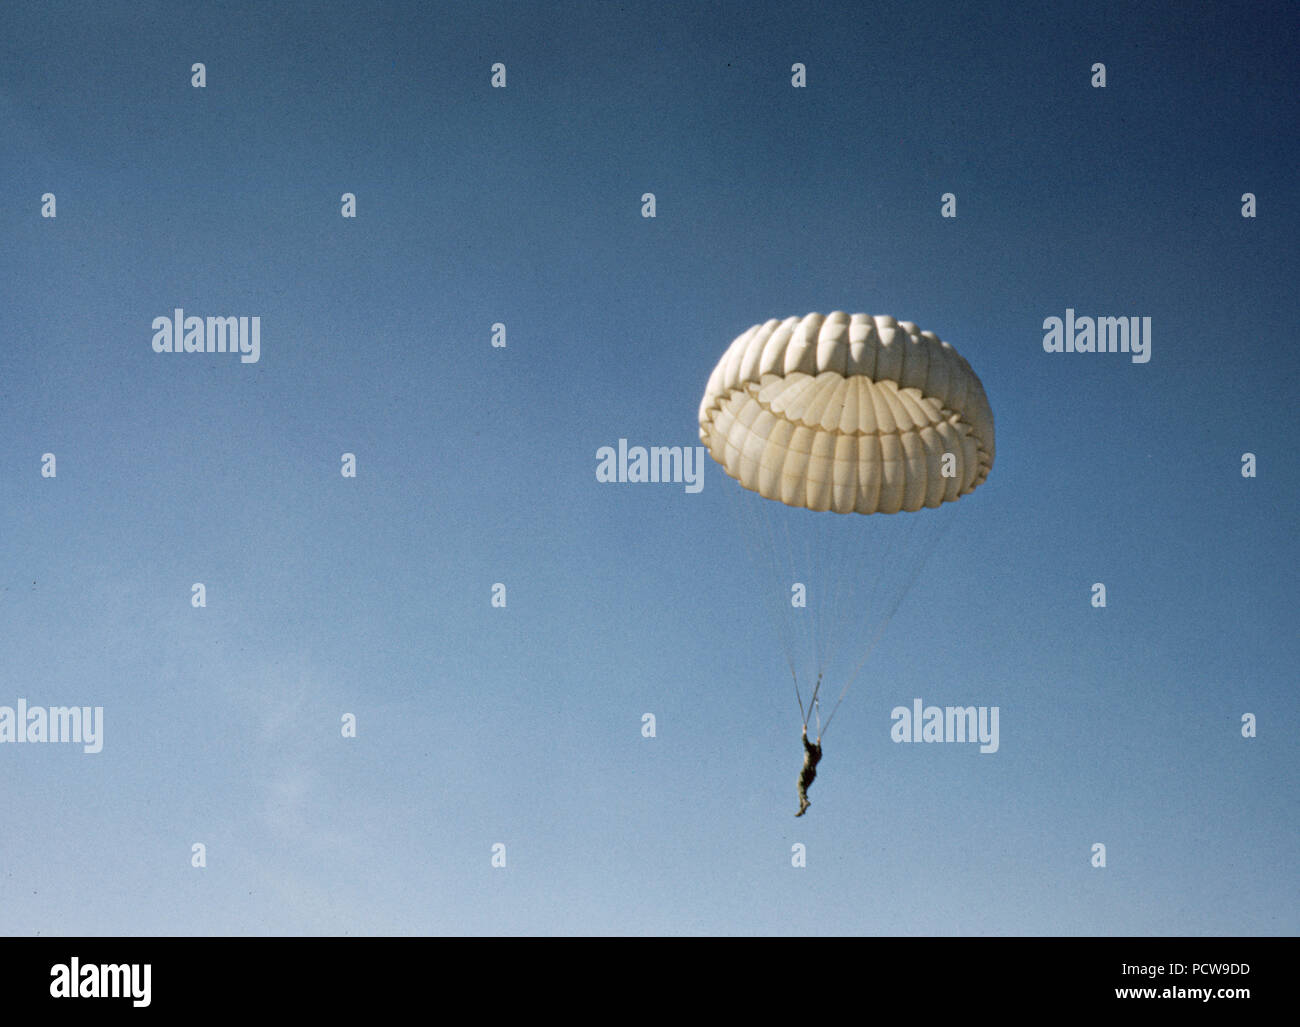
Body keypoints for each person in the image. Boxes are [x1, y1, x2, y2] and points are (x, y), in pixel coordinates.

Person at [795, 726, 823, 817]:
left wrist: (804, 731)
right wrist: (819, 744)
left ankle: (803, 802)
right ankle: (803, 806)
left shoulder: (810, 750)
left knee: (800, 785)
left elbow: (805, 741)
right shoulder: (818, 754)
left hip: (807, 769)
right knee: (803, 789)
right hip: (813, 773)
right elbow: (820, 751)